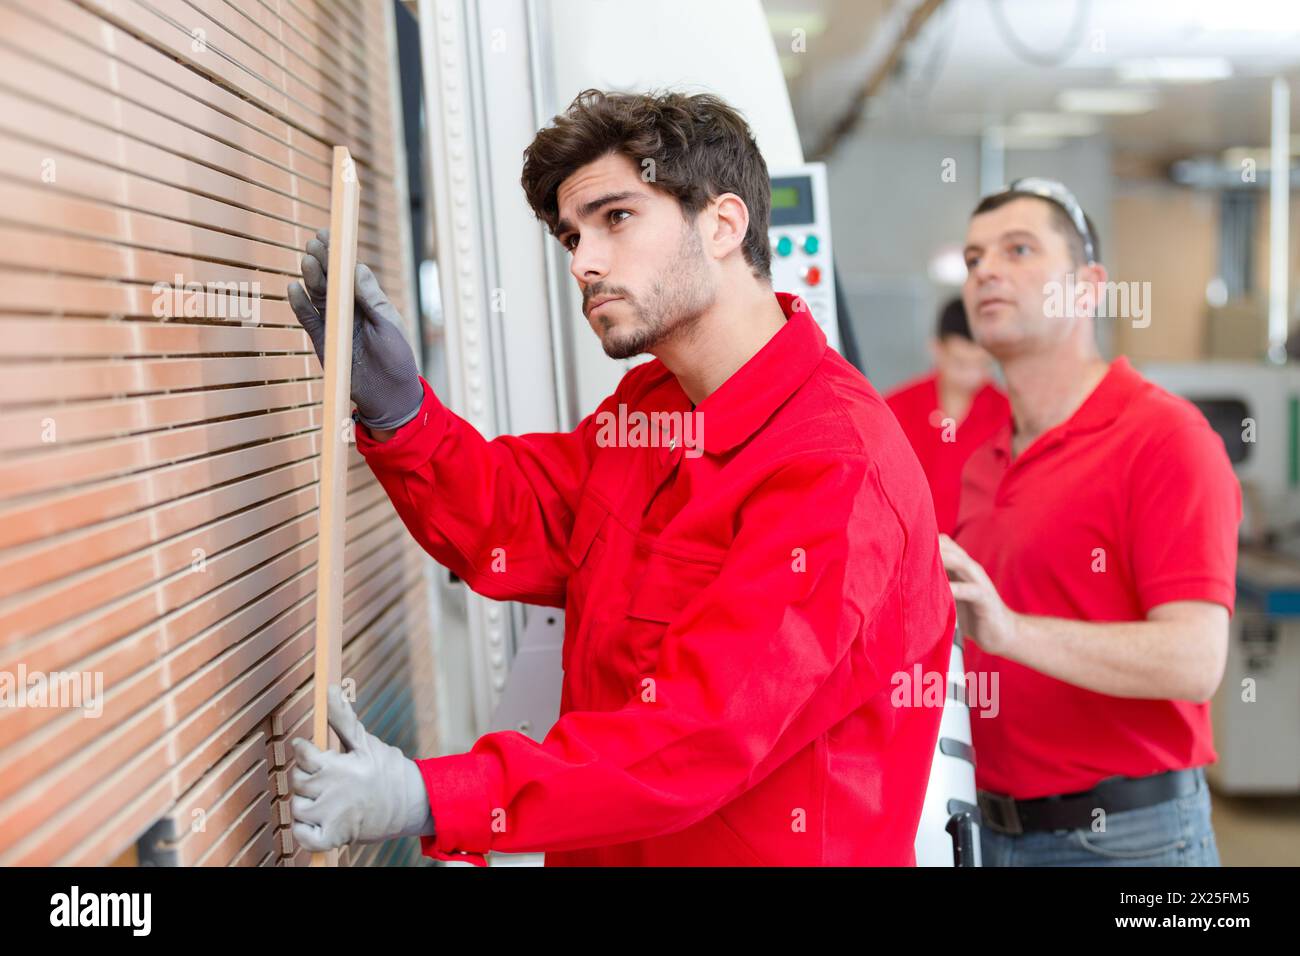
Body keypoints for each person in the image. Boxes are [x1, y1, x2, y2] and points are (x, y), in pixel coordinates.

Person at [285, 89, 955, 865]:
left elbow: (696, 736)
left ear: (723, 224)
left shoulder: (835, 469)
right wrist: (403, 417)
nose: (584, 262)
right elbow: (521, 520)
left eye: (617, 219)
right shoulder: (654, 408)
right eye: (572, 237)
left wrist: (428, 796)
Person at [942, 177, 1241, 866]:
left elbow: (1195, 661)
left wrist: (1011, 631)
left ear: (1088, 286)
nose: (987, 270)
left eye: (1019, 250)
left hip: (1127, 841)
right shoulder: (986, 456)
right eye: (974, 258)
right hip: (991, 830)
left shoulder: (1164, 437)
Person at [884, 298, 1009, 534]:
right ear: (936, 349)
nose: (971, 376)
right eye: (960, 363)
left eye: (982, 364)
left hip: (979, 557)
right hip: (911, 553)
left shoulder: (1007, 414)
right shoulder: (896, 408)